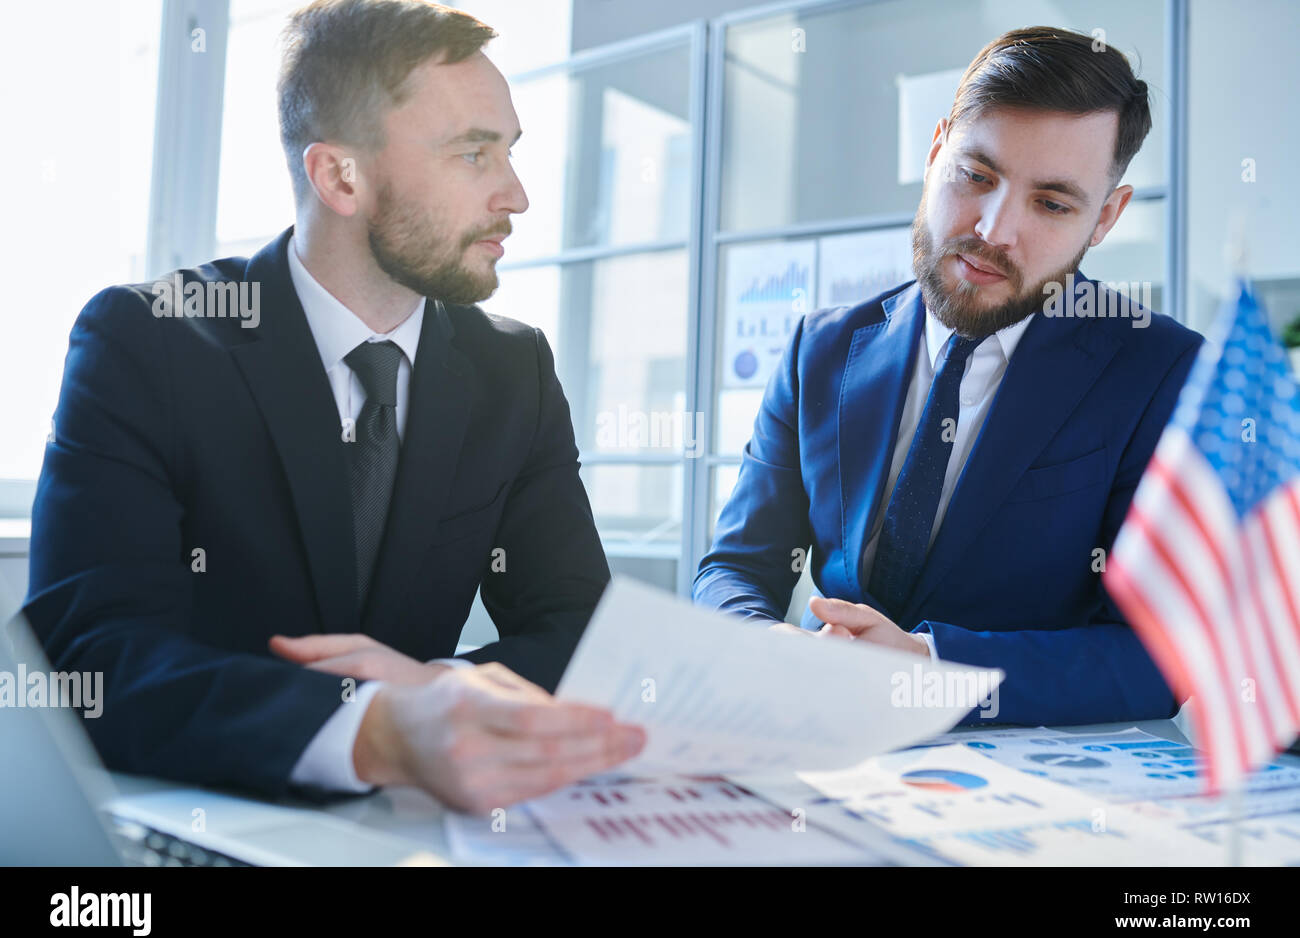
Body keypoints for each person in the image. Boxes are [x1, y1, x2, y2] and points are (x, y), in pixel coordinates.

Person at [22, 0, 643, 814]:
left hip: (413, 825)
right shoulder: (149, 341)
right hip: (209, 814)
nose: (517, 195)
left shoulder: (512, 368)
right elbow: (86, 660)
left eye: (510, 152)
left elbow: (582, 629)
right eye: (473, 154)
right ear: (340, 177)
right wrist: (369, 729)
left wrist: (431, 692)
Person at [694, 26, 1204, 726]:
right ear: (936, 152)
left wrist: (930, 668)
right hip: (818, 739)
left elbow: (1158, 658)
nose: (994, 230)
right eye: (976, 175)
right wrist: (764, 643)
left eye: (1051, 204)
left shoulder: (1163, 370)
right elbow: (734, 568)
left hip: (1025, 773)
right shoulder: (821, 349)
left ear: (1105, 218)